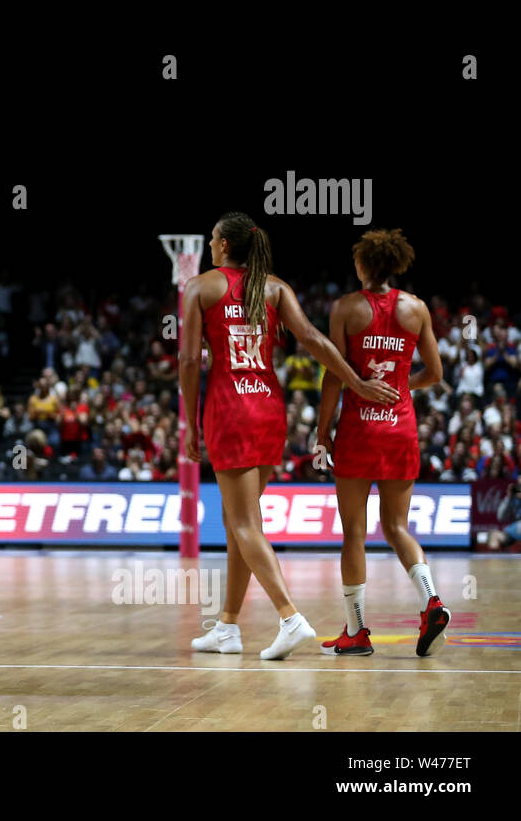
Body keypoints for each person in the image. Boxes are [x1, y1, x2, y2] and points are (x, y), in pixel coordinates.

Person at [180, 214, 397, 659]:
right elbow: (314, 339)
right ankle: (227, 626)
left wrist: (190, 420)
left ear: (222, 246)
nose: (208, 243)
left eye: (211, 238)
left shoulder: (200, 288)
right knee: (241, 523)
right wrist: (356, 381)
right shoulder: (275, 288)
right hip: (268, 407)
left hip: (230, 409)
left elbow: (187, 360)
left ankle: (290, 617)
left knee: (242, 524)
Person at [316, 229, 451, 657]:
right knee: (396, 528)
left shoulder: (346, 308)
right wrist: (399, 387)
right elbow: (435, 373)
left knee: (354, 533)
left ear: (362, 264)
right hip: (400, 428)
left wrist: (322, 430)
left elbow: (334, 373)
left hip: (359, 431)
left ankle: (356, 632)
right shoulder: (416, 309)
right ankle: (432, 601)